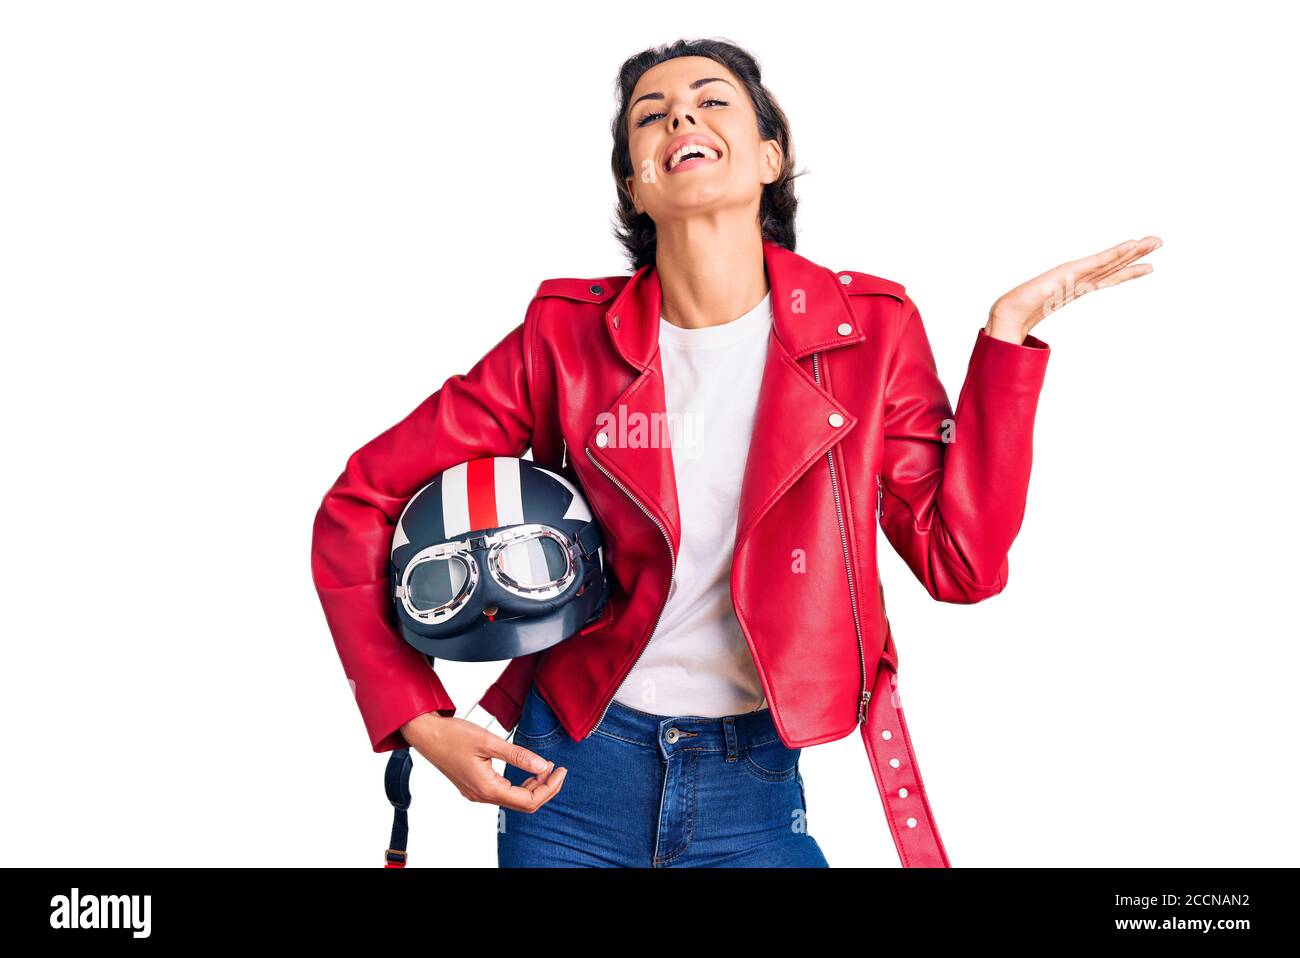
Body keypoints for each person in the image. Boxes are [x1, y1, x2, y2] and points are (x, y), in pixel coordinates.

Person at [310, 37, 1160, 868]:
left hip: (752, 782)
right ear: (635, 183)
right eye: (652, 113)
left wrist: (1006, 342)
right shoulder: (562, 339)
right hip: (570, 773)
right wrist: (418, 718)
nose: (682, 113)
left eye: (713, 100)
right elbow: (361, 501)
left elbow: (961, 563)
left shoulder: (870, 333)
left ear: (767, 156)